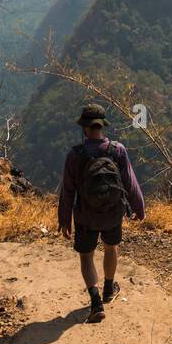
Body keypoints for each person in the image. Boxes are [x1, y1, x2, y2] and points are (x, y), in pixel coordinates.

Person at [57, 103, 145, 323]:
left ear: (84, 128)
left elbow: (67, 191)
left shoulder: (75, 155)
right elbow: (130, 183)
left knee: (86, 256)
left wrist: (64, 219)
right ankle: (108, 288)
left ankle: (95, 302)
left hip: (85, 216)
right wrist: (139, 208)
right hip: (112, 214)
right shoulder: (117, 150)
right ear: (102, 126)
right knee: (110, 247)